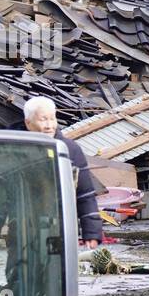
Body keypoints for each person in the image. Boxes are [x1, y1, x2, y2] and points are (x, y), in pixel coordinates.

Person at [22, 96, 102, 249]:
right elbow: (4, 192)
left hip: (60, 228)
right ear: (28, 123)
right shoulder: (16, 149)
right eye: (43, 119)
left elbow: (85, 193)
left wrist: (91, 232)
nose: (49, 126)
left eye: (52, 119)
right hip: (23, 229)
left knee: (59, 270)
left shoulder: (70, 149)